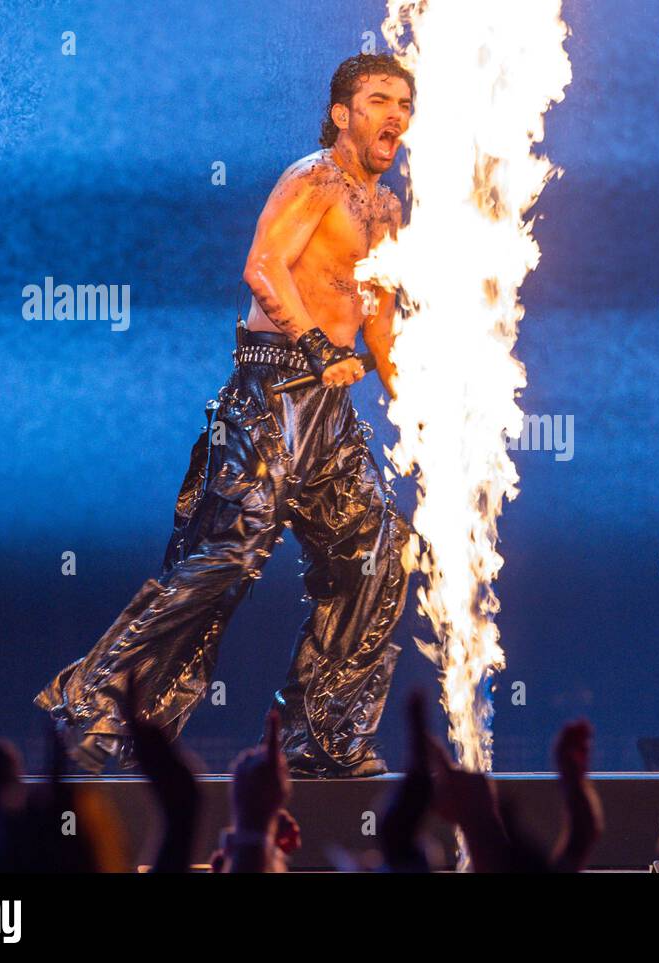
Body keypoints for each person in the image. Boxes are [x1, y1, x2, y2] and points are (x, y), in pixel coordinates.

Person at [36, 53, 416, 778]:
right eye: (378, 99)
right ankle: (101, 711)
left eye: (403, 101)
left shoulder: (388, 208)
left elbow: (381, 326)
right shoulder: (314, 178)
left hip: (331, 413)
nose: (395, 114)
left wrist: (417, 408)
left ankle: (324, 733)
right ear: (342, 114)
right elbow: (264, 266)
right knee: (224, 559)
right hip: (269, 396)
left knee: (376, 554)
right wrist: (309, 344)